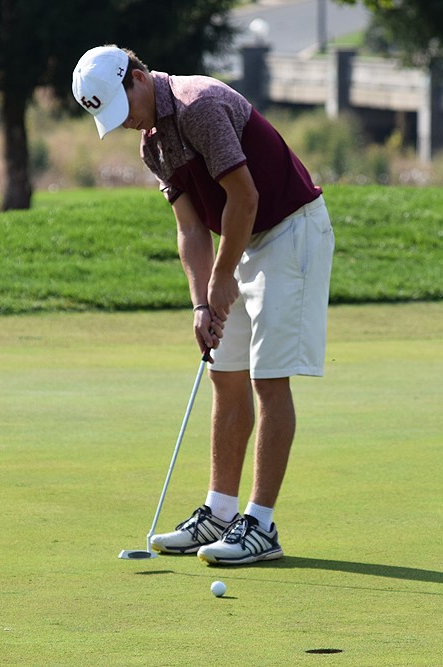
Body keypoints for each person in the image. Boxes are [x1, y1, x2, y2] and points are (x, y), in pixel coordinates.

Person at [72, 45, 334, 565]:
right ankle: (218, 512)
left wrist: (222, 277)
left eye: (126, 112)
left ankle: (260, 525)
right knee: (225, 373)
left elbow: (246, 197)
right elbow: (190, 228)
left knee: (268, 376)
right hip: (246, 239)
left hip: (290, 231)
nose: (127, 126)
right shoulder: (152, 146)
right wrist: (201, 303)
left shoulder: (199, 106)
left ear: (140, 78)